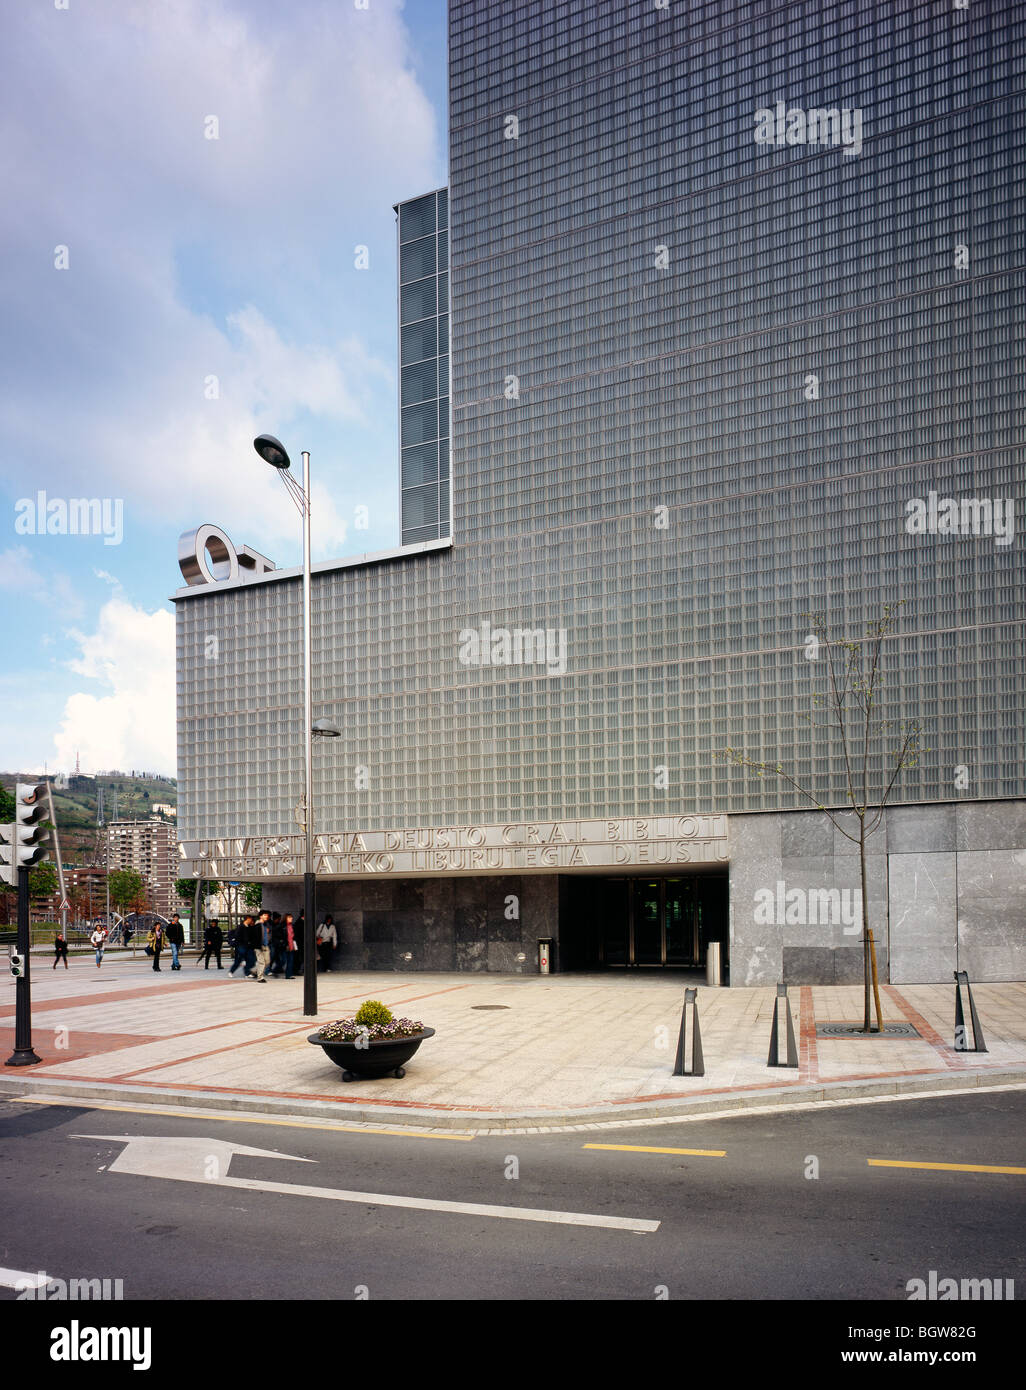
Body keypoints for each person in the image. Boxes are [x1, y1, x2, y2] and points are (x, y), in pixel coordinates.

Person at [252, 910, 272, 982]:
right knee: (262, 962)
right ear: (260, 916)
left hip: (266, 945)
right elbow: (256, 937)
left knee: (267, 961)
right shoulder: (257, 925)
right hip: (259, 947)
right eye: (264, 915)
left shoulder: (265, 925)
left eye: (267, 915)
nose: (266, 916)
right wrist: (258, 946)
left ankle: (254, 971)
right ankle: (260, 978)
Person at [283, 912, 297, 980]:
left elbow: (293, 936)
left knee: (291, 960)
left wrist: (294, 945)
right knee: (283, 960)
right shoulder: (282, 926)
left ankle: (289, 974)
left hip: (291, 945)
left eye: (291, 917)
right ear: (285, 918)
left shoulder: (292, 926)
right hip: (285, 945)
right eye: (289, 917)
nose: (291, 918)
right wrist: (282, 943)